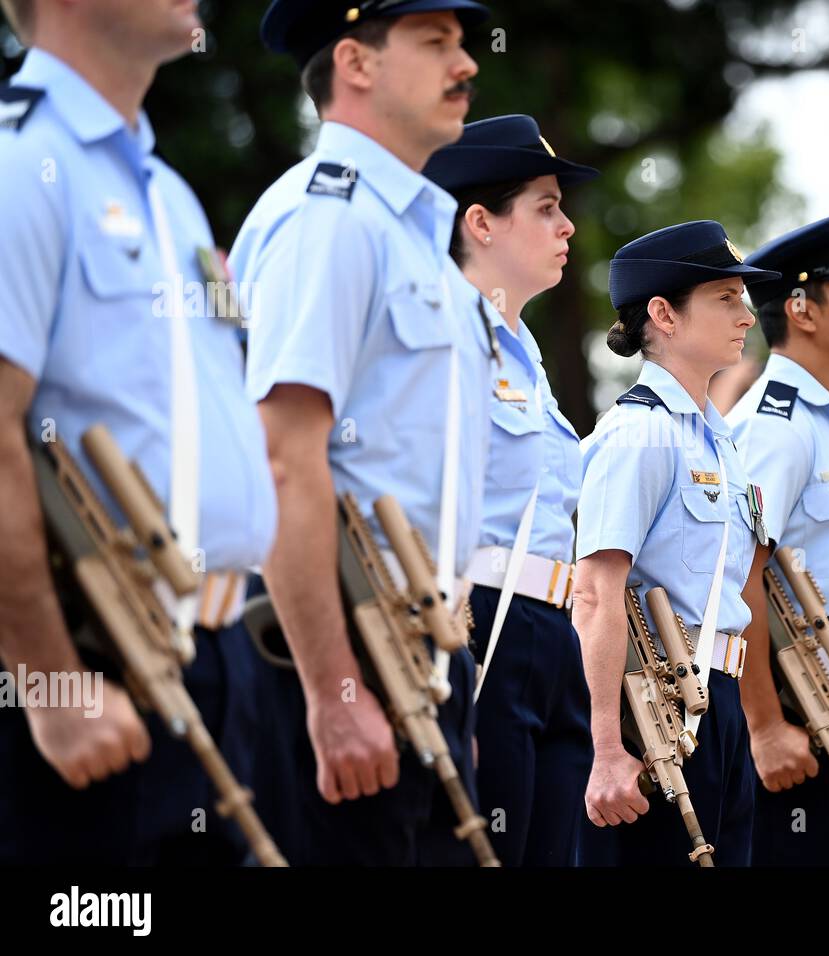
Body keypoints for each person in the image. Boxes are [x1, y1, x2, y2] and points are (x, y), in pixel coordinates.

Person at [0, 0, 276, 864]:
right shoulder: (19, 161)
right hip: (96, 654)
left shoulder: (170, 196)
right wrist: (48, 683)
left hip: (222, 658)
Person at [230, 0, 493, 865]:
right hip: (340, 647)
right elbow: (283, 457)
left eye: (463, 44)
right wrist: (335, 691)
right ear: (357, 62)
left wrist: (446, 694)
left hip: (421, 659)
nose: (468, 65)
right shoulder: (328, 217)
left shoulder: (416, 242)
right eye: (436, 42)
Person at [573, 220, 778, 865]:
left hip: (719, 704)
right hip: (653, 709)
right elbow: (596, 592)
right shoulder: (638, 434)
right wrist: (607, 748)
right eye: (724, 298)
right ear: (663, 314)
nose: (745, 316)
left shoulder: (718, 439)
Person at [422, 114, 597, 866]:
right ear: (481, 223)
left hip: (550, 633)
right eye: (547, 206)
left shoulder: (523, 351)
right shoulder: (441, 330)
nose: (567, 227)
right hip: (478, 623)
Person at [724, 206, 829, 865]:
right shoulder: (778, 425)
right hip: (799, 713)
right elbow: (741, 574)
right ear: (802, 309)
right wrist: (765, 726)